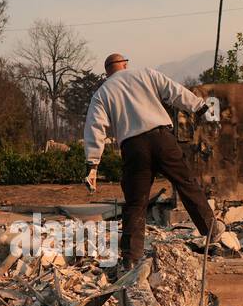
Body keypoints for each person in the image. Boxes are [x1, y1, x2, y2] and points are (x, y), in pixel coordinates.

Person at [82, 53, 222, 271]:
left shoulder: (102, 93)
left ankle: (131, 258)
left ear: (107, 72)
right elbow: (174, 91)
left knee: (136, 203)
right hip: (162, 140)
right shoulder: (145, 74)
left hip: (133, 148)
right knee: (186, 184)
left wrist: (92, 163)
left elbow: (95, 127)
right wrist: (200, 107)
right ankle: (211, 230)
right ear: (125, 64)